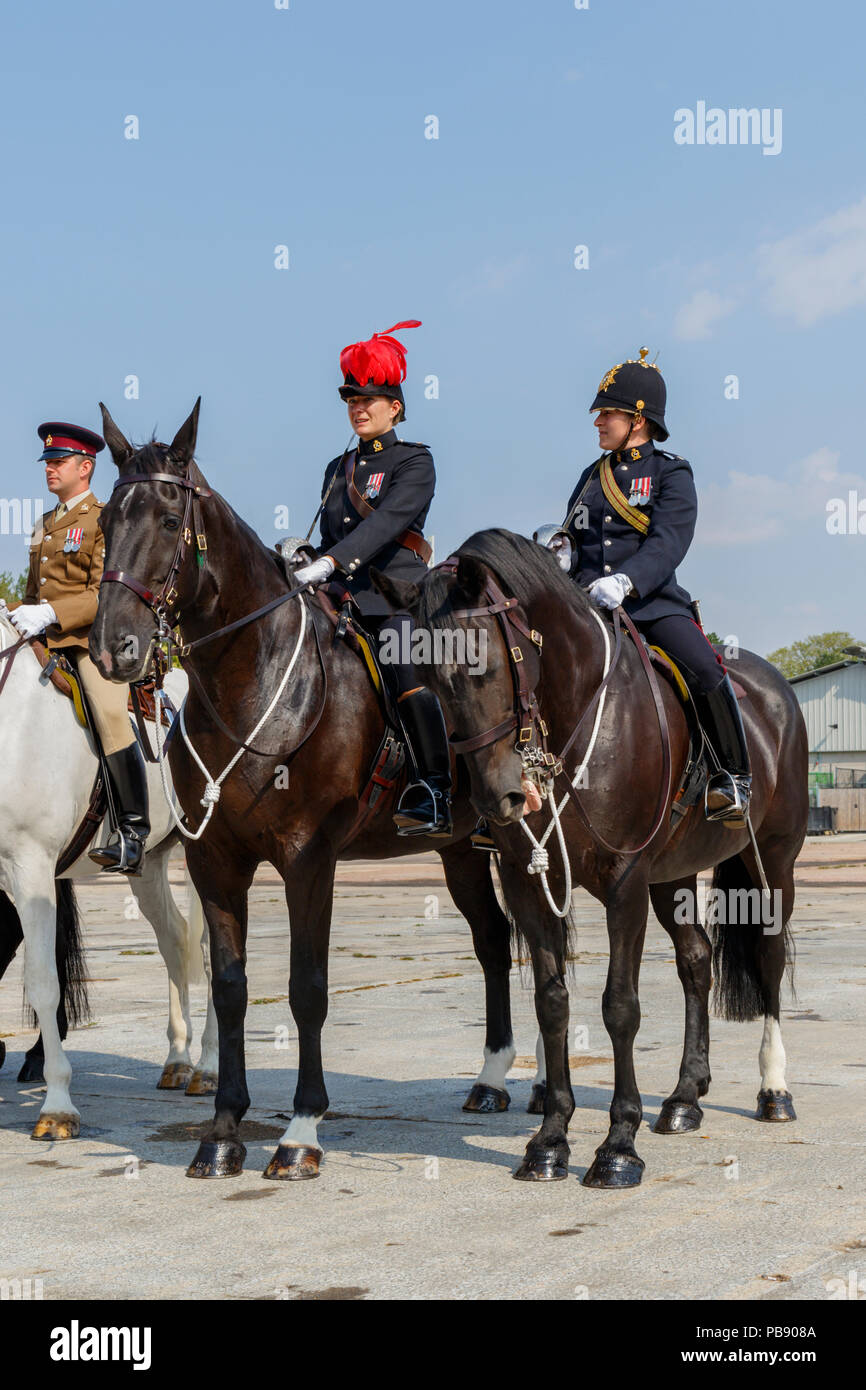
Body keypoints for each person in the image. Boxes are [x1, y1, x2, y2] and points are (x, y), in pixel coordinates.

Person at [554, 349, 751, 824]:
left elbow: (669, 542)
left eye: (608, 413)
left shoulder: (671, 473)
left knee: (705, 668)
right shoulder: (592, 476)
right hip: (588, 606)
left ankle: (732, 775)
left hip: (652, 604)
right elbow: (575, 539)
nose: (598, 421)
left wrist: (626, 581)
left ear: (638, 419)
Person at [292, 321, 452, 837]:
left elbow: (385, 526)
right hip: (336, 599)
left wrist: (333, 562)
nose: (358, 409)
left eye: (369, 400)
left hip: (394, 598)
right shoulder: (337, 468)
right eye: (352, 401)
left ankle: (434, 788)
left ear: (395, 408)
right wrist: (306, 559)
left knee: (404, 668)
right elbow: (332, 536)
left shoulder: (415, 462)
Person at [6, 422, 150, 872]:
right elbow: (33, 593)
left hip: (87, 642)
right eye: (48, 462)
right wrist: (17, 612)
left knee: (108, 713)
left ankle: (131, 830)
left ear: (85, 468)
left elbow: (103, 594)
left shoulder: (105, 519)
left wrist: (52, 614)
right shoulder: (43, 525)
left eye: (59, 462)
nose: (50, 469)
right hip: (42, 641)